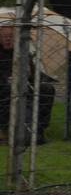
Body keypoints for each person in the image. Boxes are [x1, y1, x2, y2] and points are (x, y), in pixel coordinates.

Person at [0, 19, 55, 147]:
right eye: (4, 37)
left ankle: (38, 128)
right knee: (8, 91)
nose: (8, 39)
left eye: (10, 36)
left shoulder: (23, 51)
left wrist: (30, 73)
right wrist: (7, 79)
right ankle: (6, 129)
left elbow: (34, 75)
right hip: (3, 88)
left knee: (46, 89)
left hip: (23, 85)